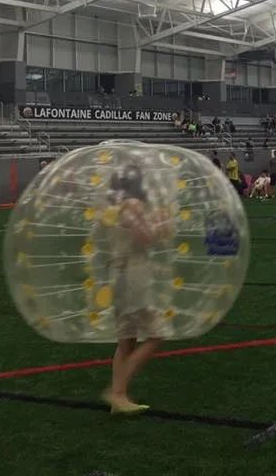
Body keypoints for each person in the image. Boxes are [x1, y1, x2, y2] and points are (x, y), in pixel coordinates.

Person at [101, 164, 170, 415]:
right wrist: (160, 223)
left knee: (126, 341)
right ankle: (117, 391)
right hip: (133, 278)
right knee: (156, 334)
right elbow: (146, 238)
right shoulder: (132, 206)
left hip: (118, 277)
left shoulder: (111, 208)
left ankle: (119, 400)